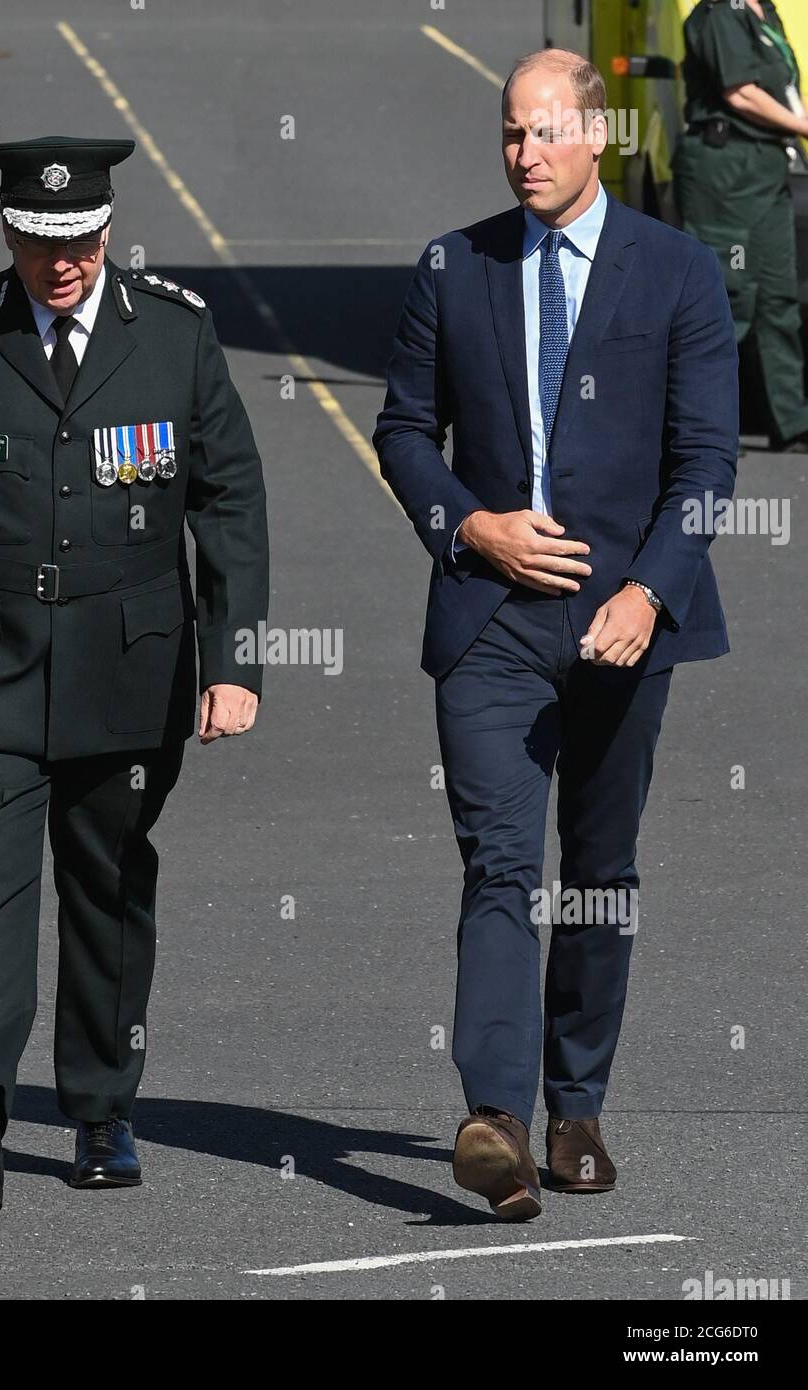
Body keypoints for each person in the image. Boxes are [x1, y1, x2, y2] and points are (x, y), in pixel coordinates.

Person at [0, 136, 269, 1214]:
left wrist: (237, 658)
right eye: (36, 240)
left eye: (76, 241)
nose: (58, 262)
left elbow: (229, 503)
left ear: (107, 232)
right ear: (8, 232)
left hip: (130, 669)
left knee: (109, 888)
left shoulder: (173, 335)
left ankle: (102, 1109)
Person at [373, 51, 737, 1220]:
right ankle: (494, 1121)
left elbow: (707, 462)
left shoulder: (676, 272)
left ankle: (576, 1103)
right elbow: (402, 432)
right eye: (509, 134)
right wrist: (470, 525)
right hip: (490, 617)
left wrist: (650, 595)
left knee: (599, 874)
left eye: (542, 133)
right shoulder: (453, 265)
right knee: (498, 865)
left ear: (597, 135)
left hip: (620, 627)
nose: (522, 154)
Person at [675, 0, 808, 451]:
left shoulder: (764, 11)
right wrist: (802, 126)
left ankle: (791, 423)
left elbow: (782, 84)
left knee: (777, 299)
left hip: (767, 169)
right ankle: (702, 431)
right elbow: (741, 92)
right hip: (726, 174)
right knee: (728, 301)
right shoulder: (719, 14)